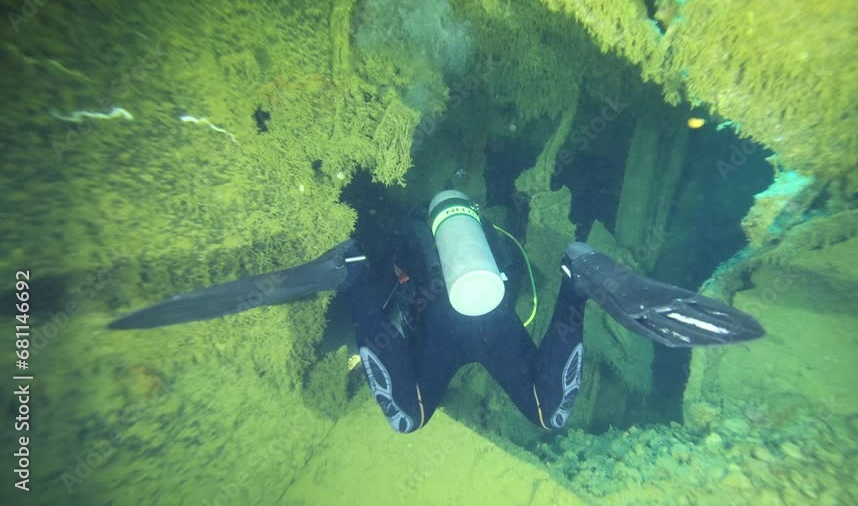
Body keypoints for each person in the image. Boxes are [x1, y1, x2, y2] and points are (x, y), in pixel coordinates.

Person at [110, 190, 764, 433]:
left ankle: (351, 272)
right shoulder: (487, 241)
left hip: (443, 330)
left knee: (409, 415)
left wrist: (376, 286)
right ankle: (580, 273)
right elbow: (506, 276)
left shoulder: (422, 241)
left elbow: (409, 297)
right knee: (548, 411)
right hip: (496, 319)